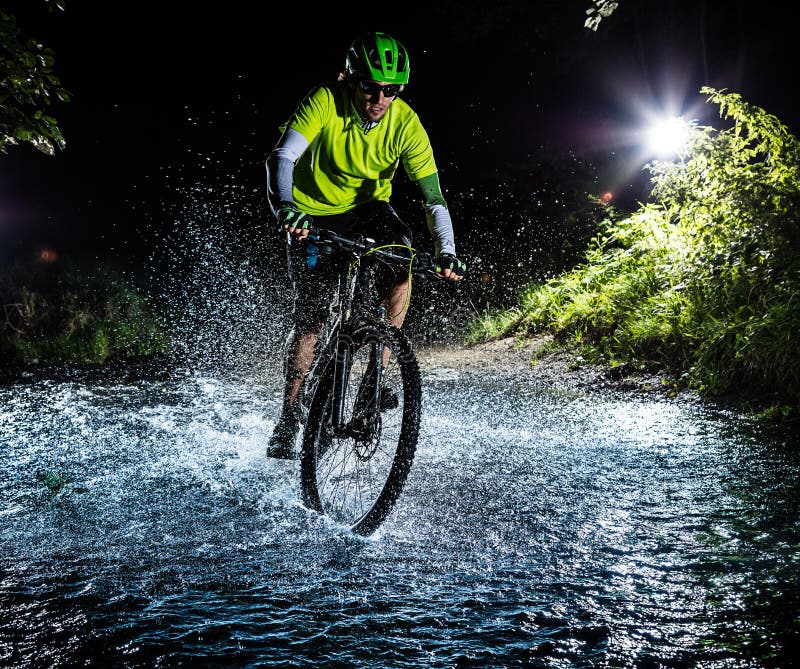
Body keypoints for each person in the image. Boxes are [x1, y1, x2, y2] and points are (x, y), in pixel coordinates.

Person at [264, 31, 466, 458]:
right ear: (349, 79)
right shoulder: (325, 99)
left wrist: (446, 249)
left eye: (390, 90)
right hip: (311, 211)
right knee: (312, 322)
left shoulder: (405, 123)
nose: (379, 97)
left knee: (404, 256)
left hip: (368, 208)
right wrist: (286, 209)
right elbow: (282, 158)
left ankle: (376, 375)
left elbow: (433, 199)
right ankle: (288, 418)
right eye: (370, 86)